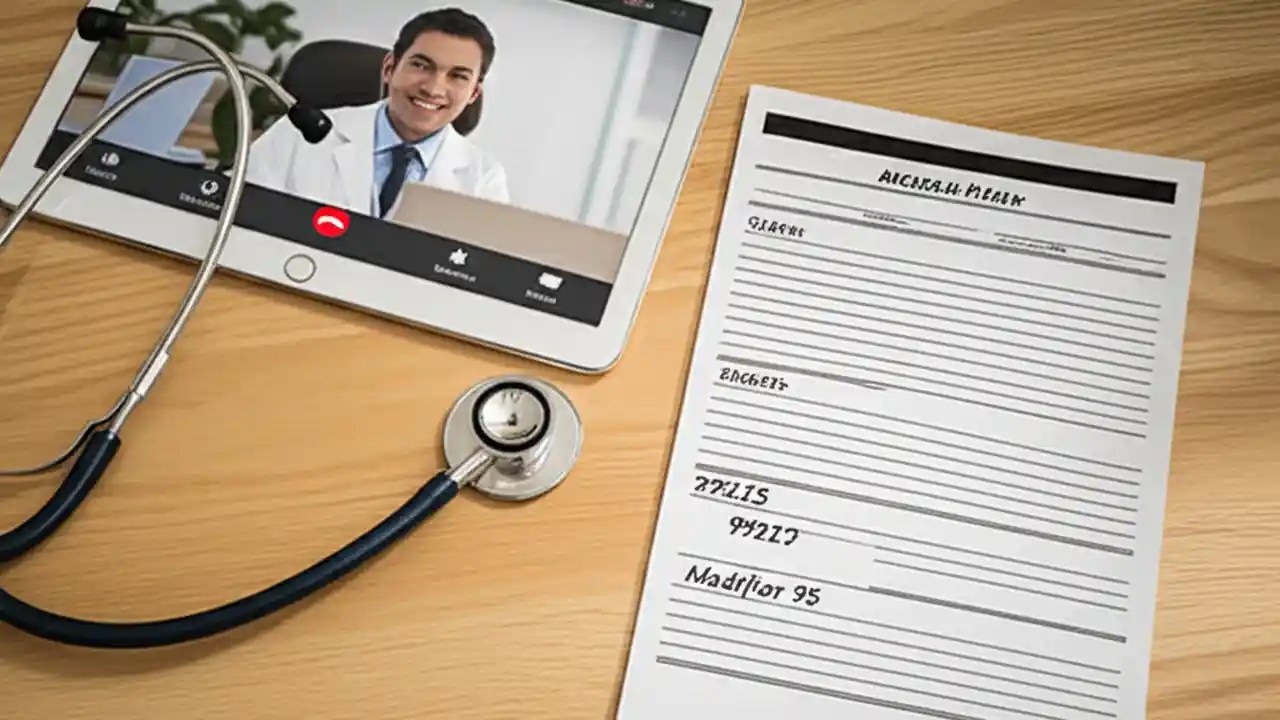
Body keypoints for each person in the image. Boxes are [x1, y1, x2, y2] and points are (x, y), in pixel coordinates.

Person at [246, 8, 509, 217]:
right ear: (389, 68)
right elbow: (234, 216)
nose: (433, 88)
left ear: (474, 93)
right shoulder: (297, 133)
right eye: (421, 65)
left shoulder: (484, 179)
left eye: (458, 76)